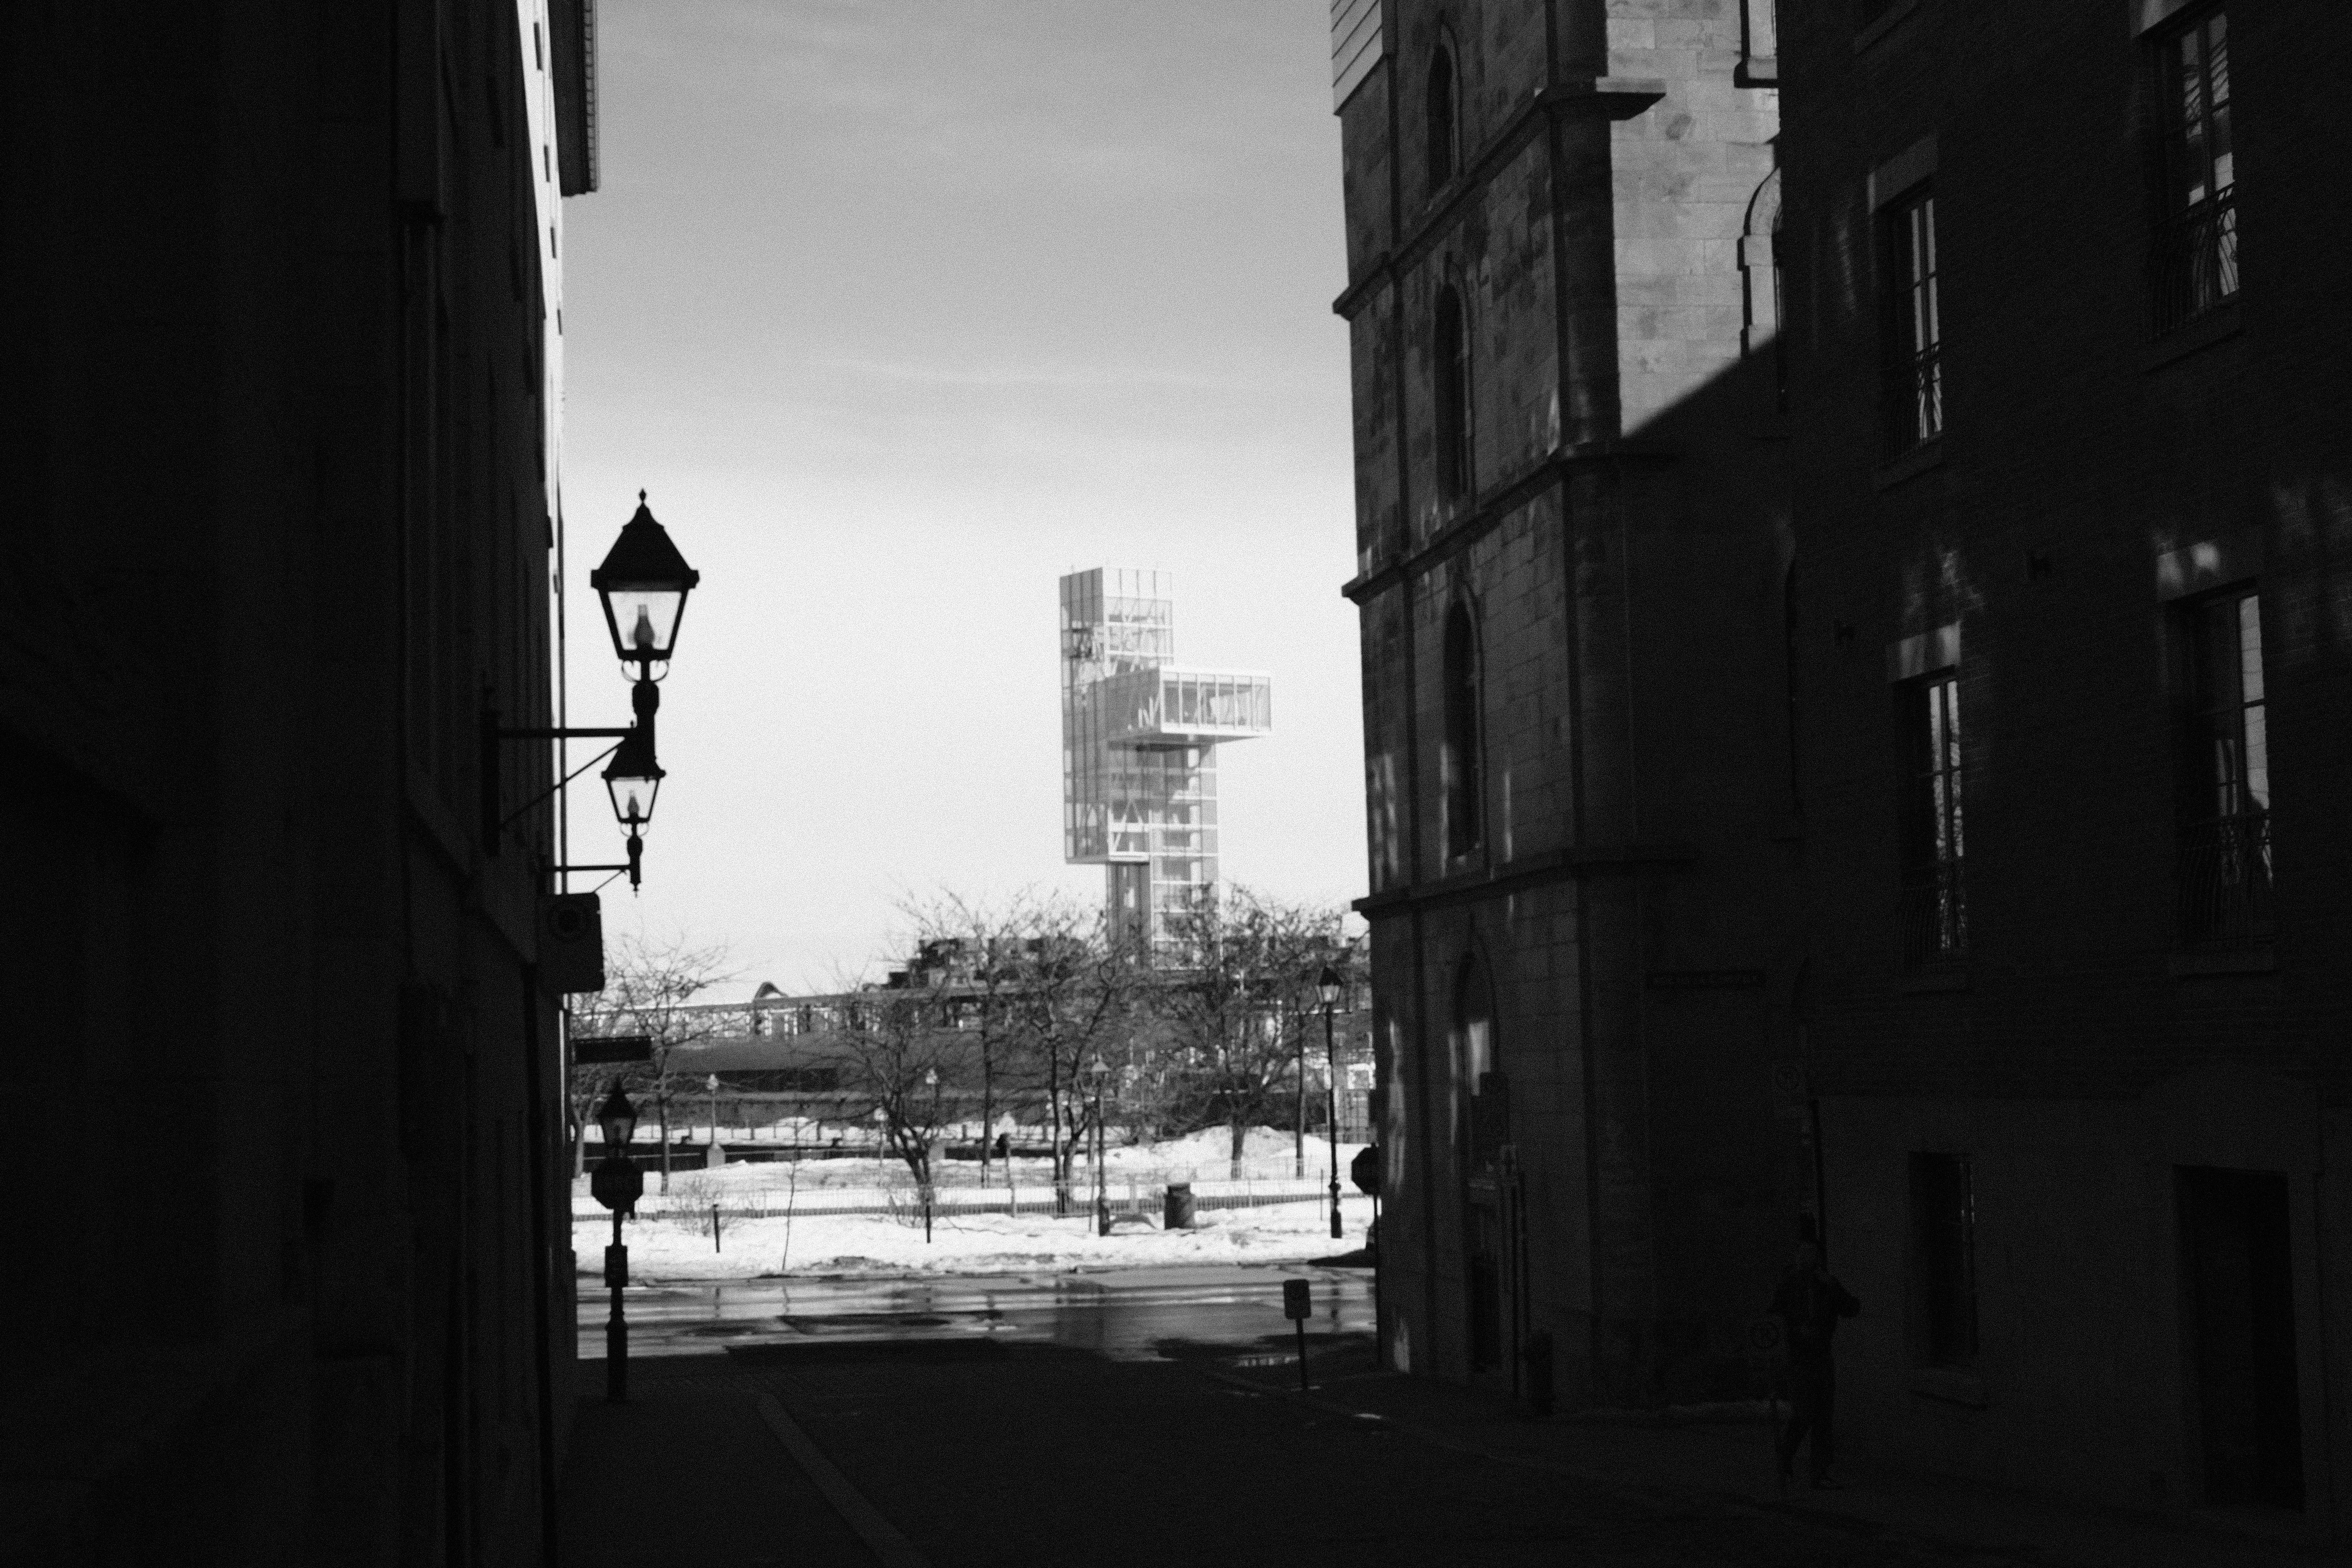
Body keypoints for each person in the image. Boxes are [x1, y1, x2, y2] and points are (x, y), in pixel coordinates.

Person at [1771, 1239, 1860, 1492]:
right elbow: (1775, 1317)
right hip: (1799, 1358)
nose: (1809, 1267)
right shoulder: (1789, 1287)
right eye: (1805, 1261)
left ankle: (1818, 1472)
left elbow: (1850, 1308)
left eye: (1813, 1261)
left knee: (1822, 1417)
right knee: (1803, 1412)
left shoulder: (1827, 1286)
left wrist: (1834, 1289)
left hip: (1821, 1357)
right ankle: (1786, 1460)